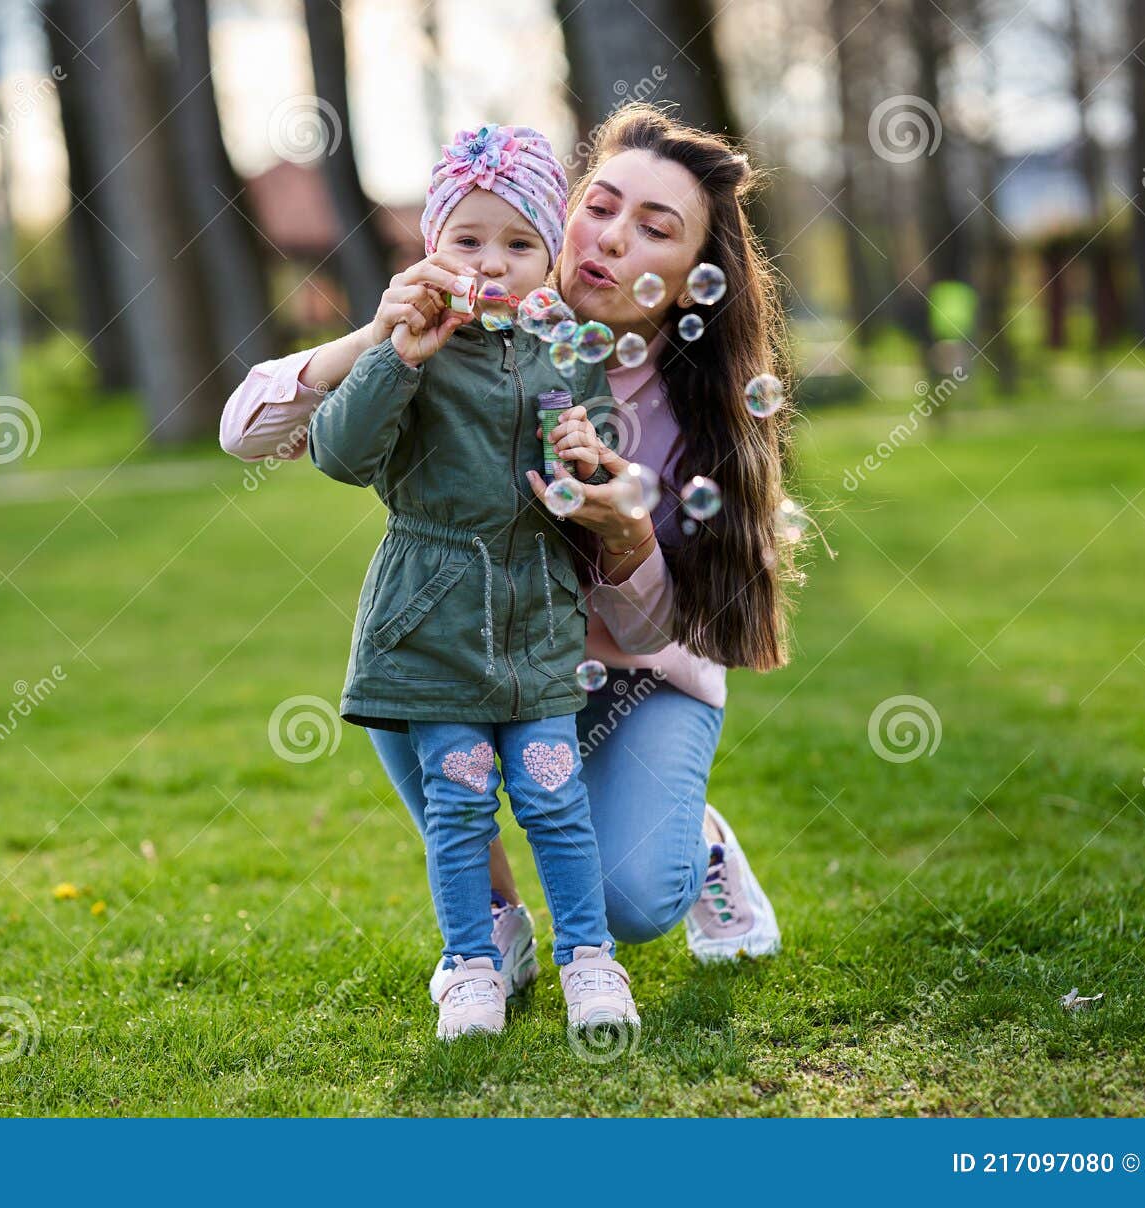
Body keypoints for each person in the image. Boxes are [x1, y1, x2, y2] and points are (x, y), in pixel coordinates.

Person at [221, 103, 790, 1004]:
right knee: (415, 678)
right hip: (478, 642)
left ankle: (698, 843)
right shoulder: (470, 329)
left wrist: (627, 531)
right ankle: (492, 919)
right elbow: (245, 431)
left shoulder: (694, 418)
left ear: (691, 281)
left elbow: (650, 632)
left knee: (629, 899)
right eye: (599, 207)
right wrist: (377, 338)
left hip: (637, 679)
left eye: (655, 229)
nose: (610, 239)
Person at [309, 124, 637, 1041]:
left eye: (520, 242)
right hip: (431, 621)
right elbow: (338, 454)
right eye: (469, 239)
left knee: (552, 795)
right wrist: (396, 355)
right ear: (433, 247)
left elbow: (594, 483)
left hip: (536, 613)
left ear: (548, 253)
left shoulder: (570, 352)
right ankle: (470, 967)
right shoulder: (414, 344)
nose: (494, 261)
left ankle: (588, 960)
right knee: (456, 803)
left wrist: (586, 459)